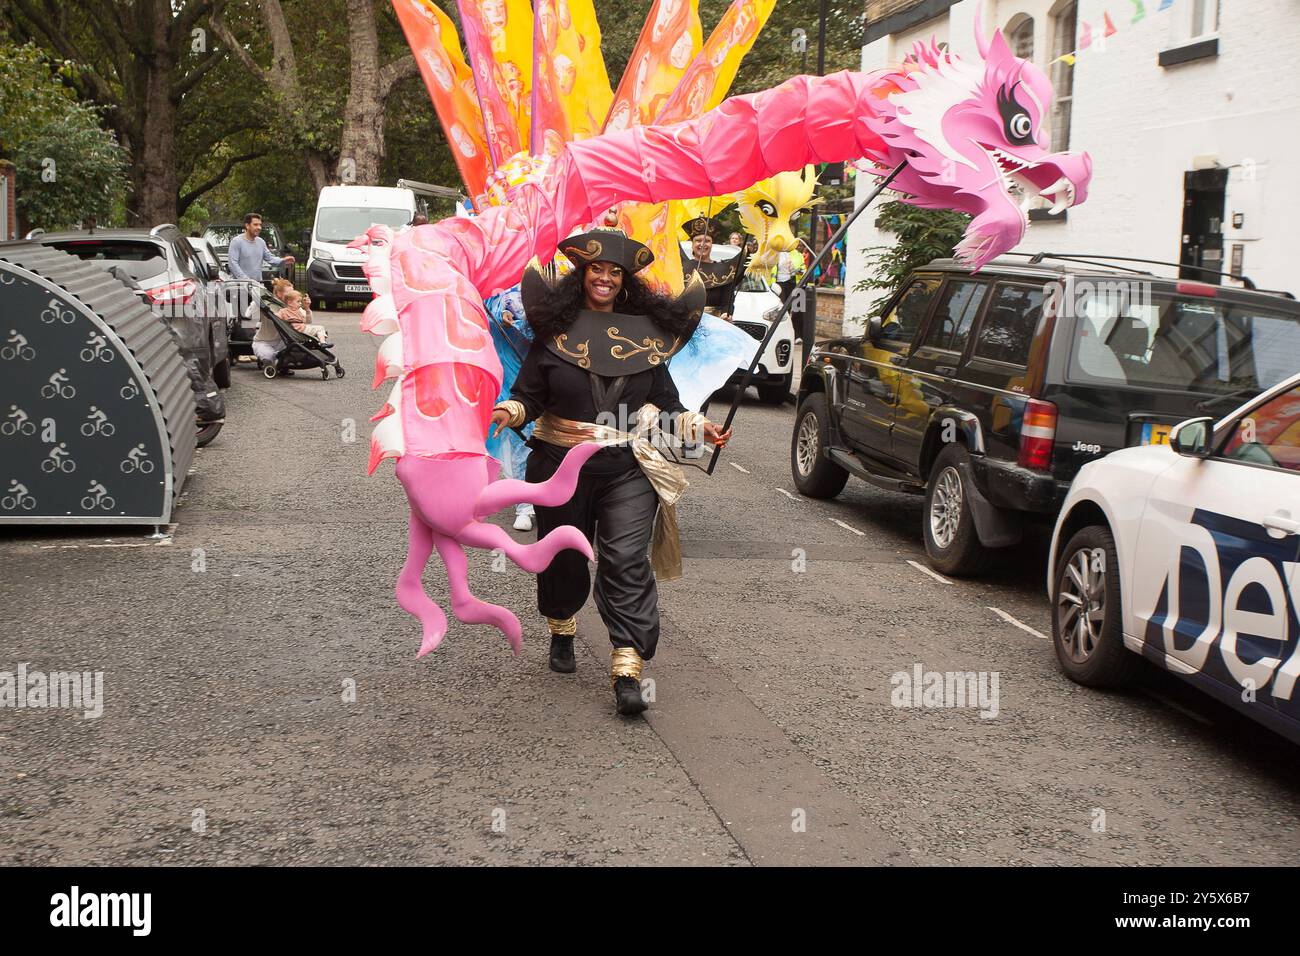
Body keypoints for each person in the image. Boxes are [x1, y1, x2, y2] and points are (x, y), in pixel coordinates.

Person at [488, 229, 732, 716]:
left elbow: (666, 405)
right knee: (565, 560)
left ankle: (627, 665)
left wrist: (697, 425)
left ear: (625, 282)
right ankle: (561, 623)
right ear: (582, 276)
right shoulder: (554, 335)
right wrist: (509, 412)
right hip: (558, 466)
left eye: (614, 272)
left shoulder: (645, 338)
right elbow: (529, 396)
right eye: (596, 269)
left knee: (625, 557)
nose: (604, 277)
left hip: (626, 466)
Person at [679, 216, 740, 320]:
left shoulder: (724, 271)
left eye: (707, 241)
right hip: (683, 324)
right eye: (698, 240)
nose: (702, 244)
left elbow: (728, 302)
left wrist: (726, 313)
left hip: (714, 324)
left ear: (712, 244)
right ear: (692, 244)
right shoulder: (680, 269)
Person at [227, 213, 294, 286]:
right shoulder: (237, 242)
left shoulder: (261, 242)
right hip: (239, 287)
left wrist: (283, 260)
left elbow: (270, 258)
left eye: (260, 225)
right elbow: (233, 264)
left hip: (257, 286)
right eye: (255, 225)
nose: (259, 227)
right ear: (247, 225)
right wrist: (246, 280)